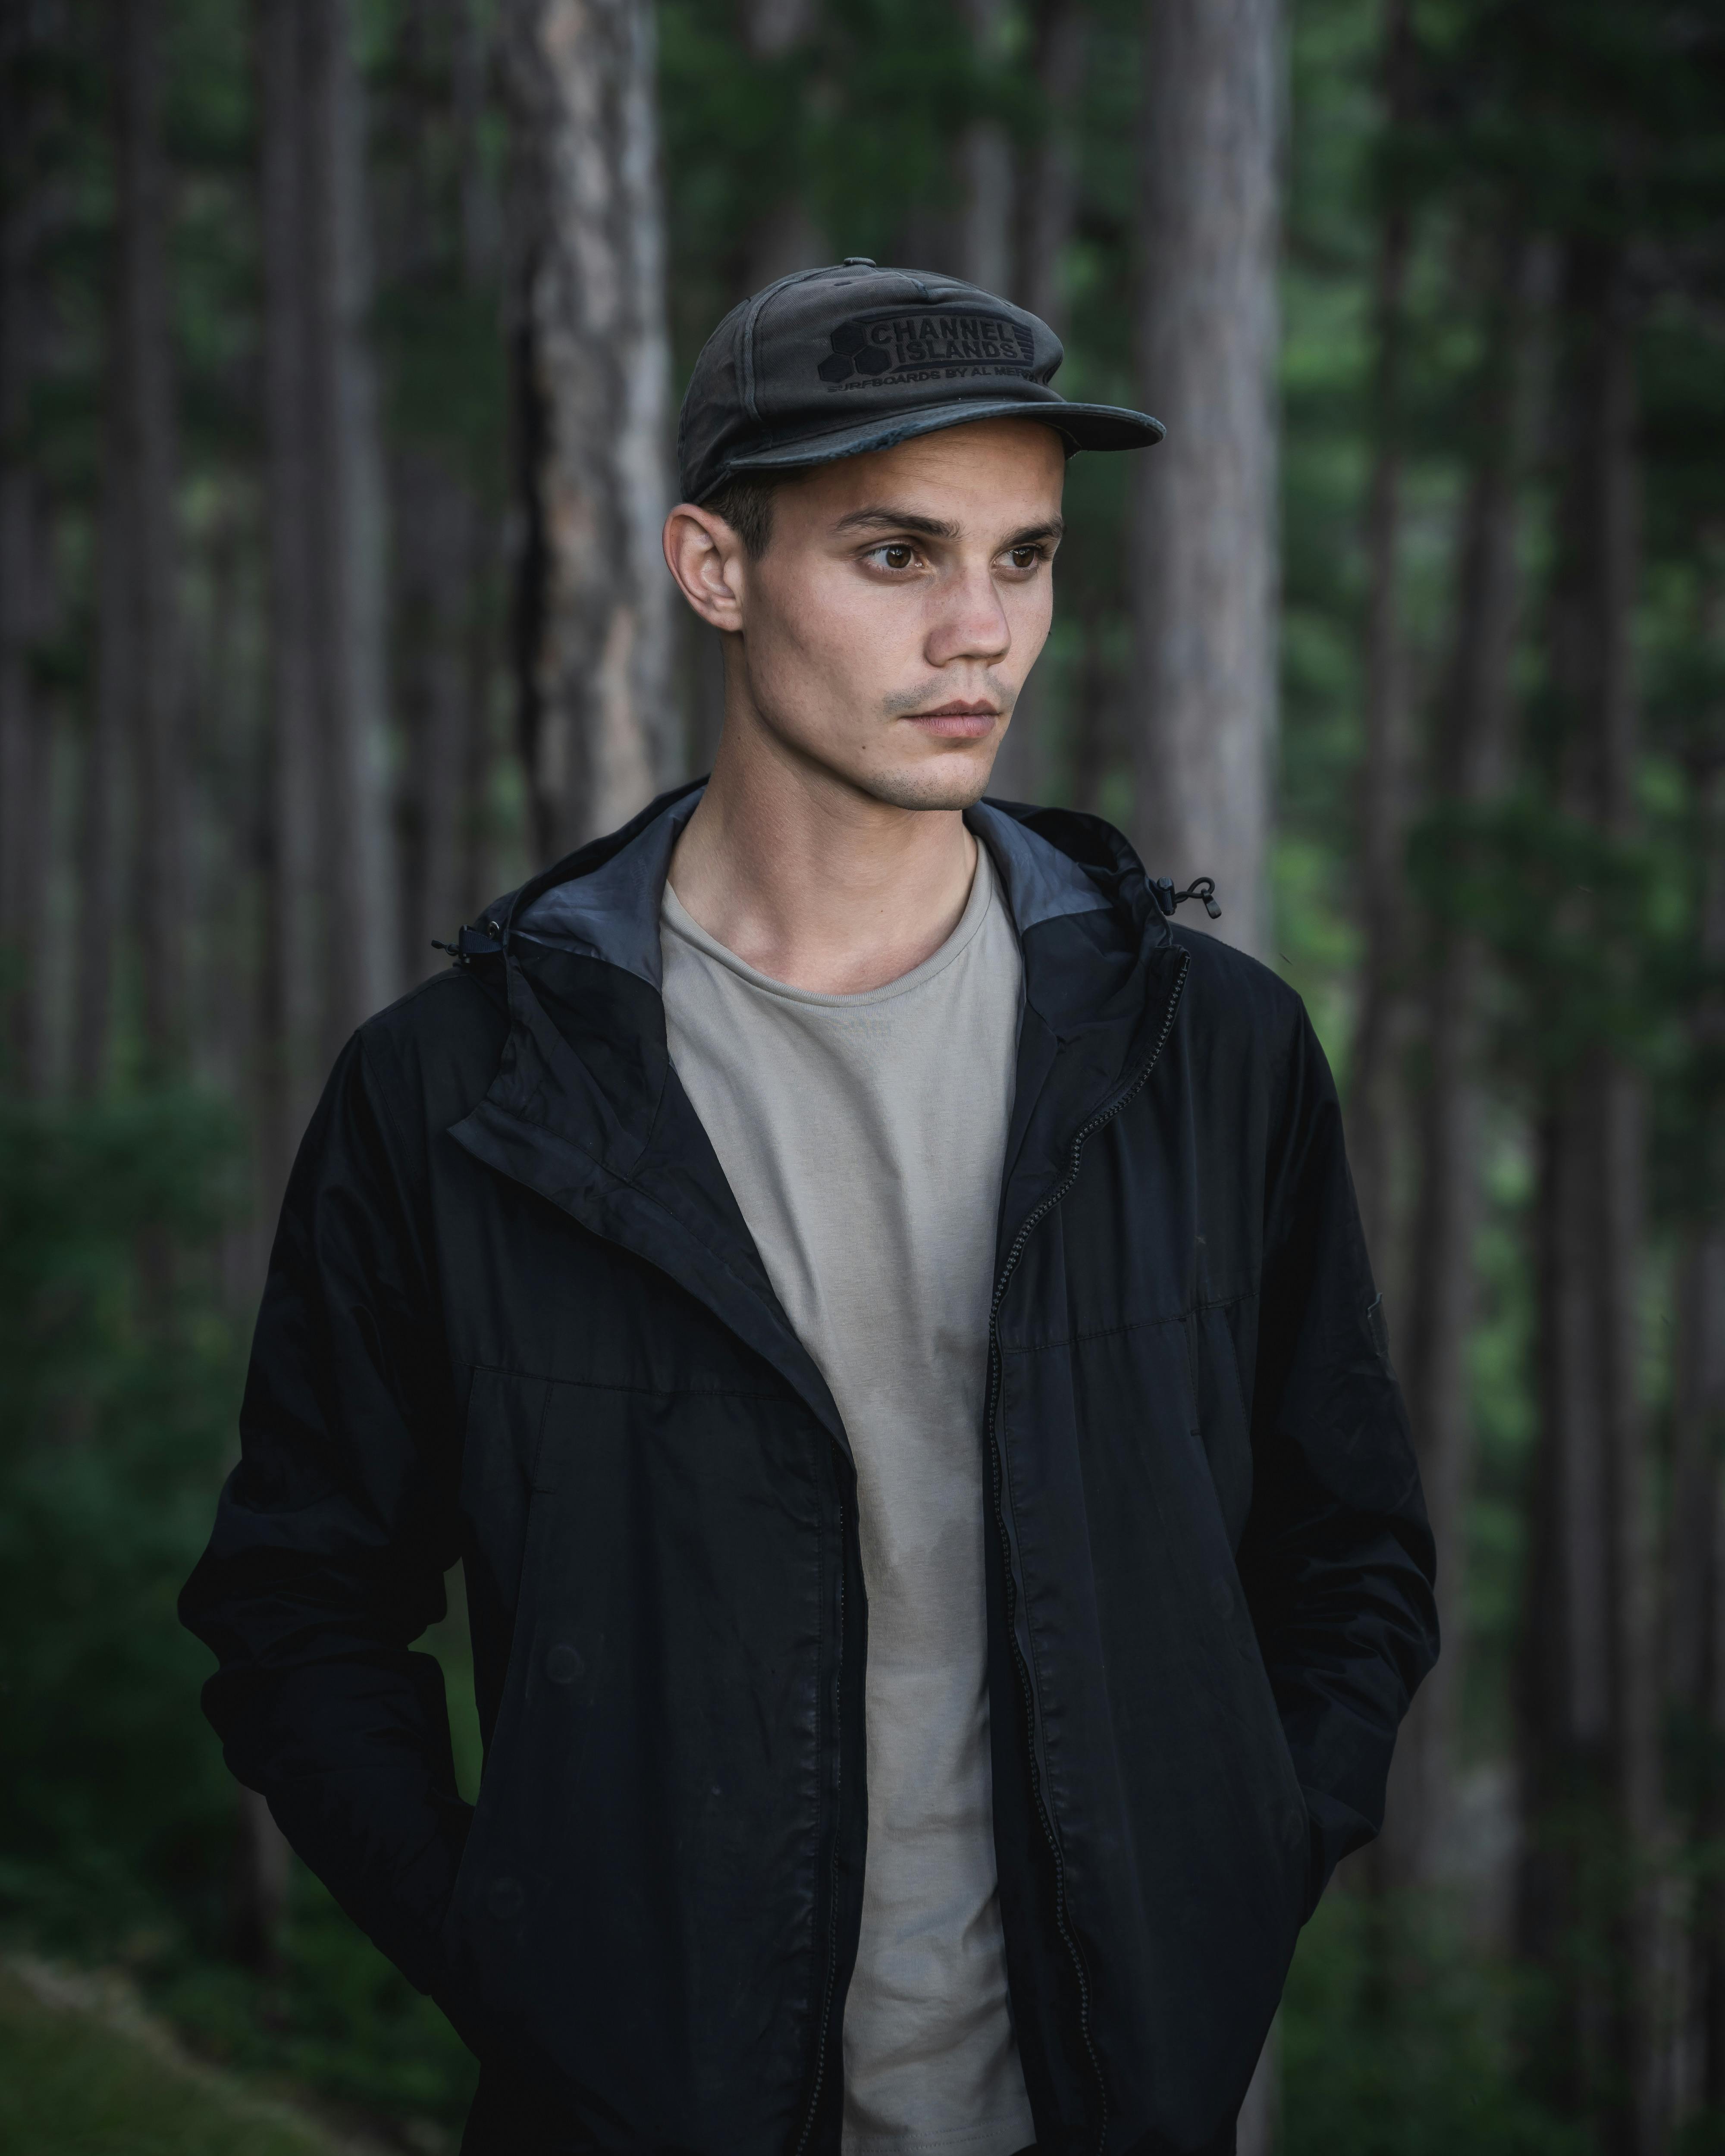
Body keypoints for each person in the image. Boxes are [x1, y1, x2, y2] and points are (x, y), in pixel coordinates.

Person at [181, 261, 1437, 2156]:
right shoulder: (463, 1091)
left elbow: (1353, 1559)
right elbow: (294, 1607)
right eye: (894, 553)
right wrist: (520, 1961)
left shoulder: (1209, 1052)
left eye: (1023, 559)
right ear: (713, 565)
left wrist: (1239, 1871)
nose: (977, 635)